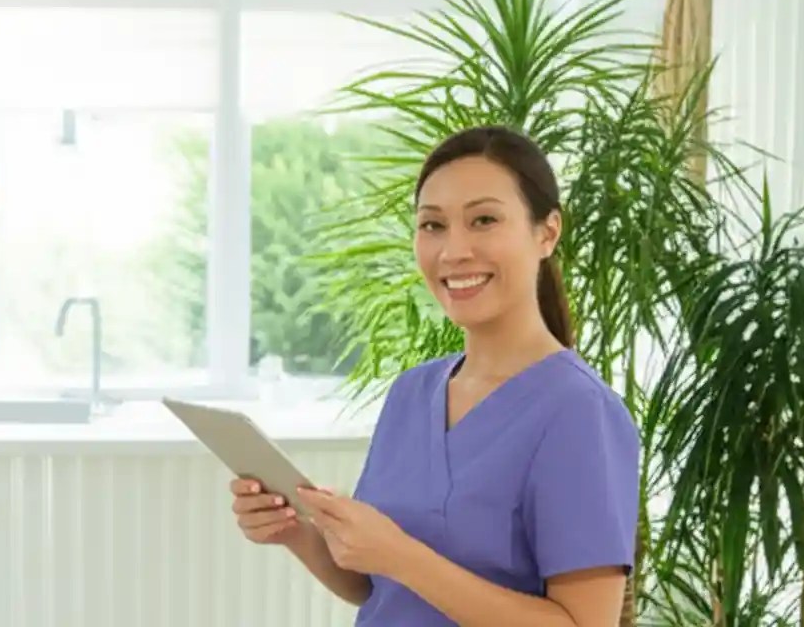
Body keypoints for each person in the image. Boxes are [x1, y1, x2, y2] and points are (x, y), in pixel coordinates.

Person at [228, 126, 640, 626]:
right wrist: (296, 532)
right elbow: (373, 585)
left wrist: (402, 556)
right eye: (433, 225)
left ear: (547, 232)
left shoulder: (579, 412)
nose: (453, 251)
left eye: (484, 220)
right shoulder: (412, 392)